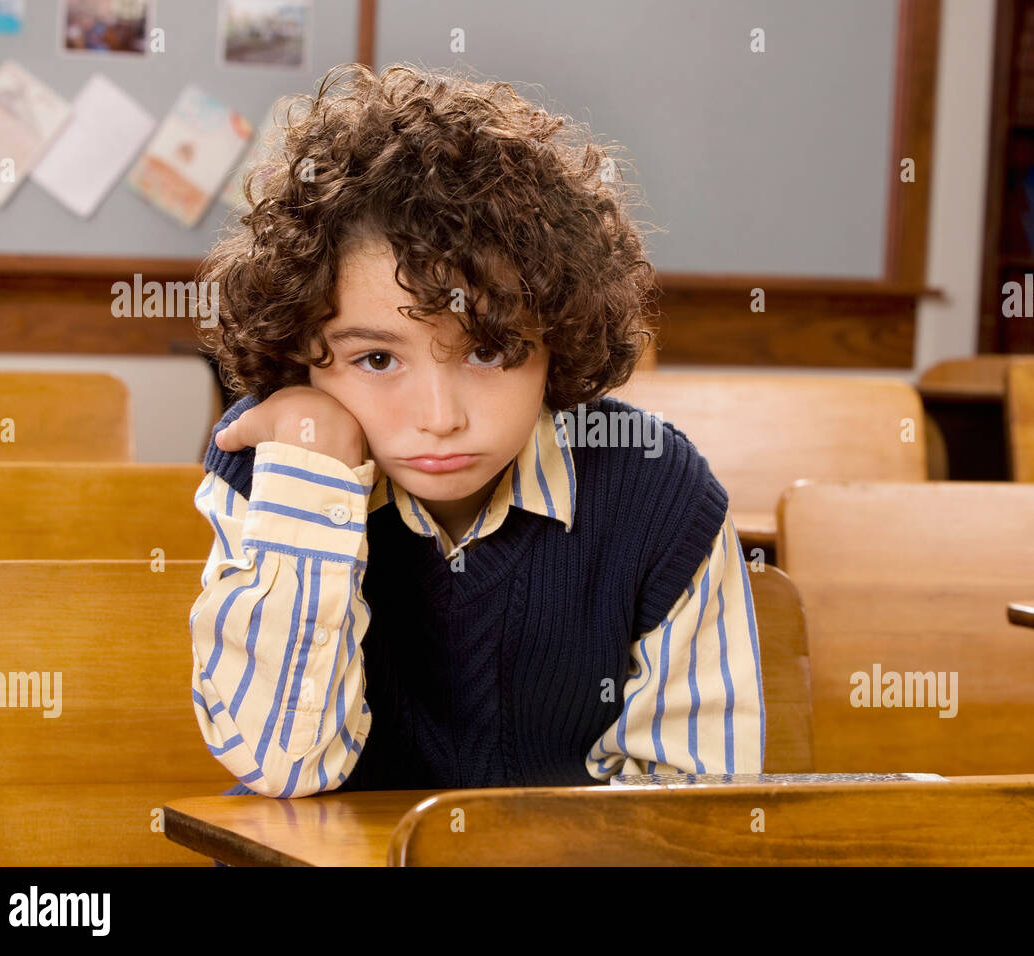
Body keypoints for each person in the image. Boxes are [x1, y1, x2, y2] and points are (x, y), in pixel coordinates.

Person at [189, 62, 763, 798]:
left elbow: (692, 810)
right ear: (304, 351)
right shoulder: (270, 469)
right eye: (374, 358)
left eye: (487, 351)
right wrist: (312, 482)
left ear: (558, 338)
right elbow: (284, 767)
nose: (439, 416)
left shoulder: (658, 494)